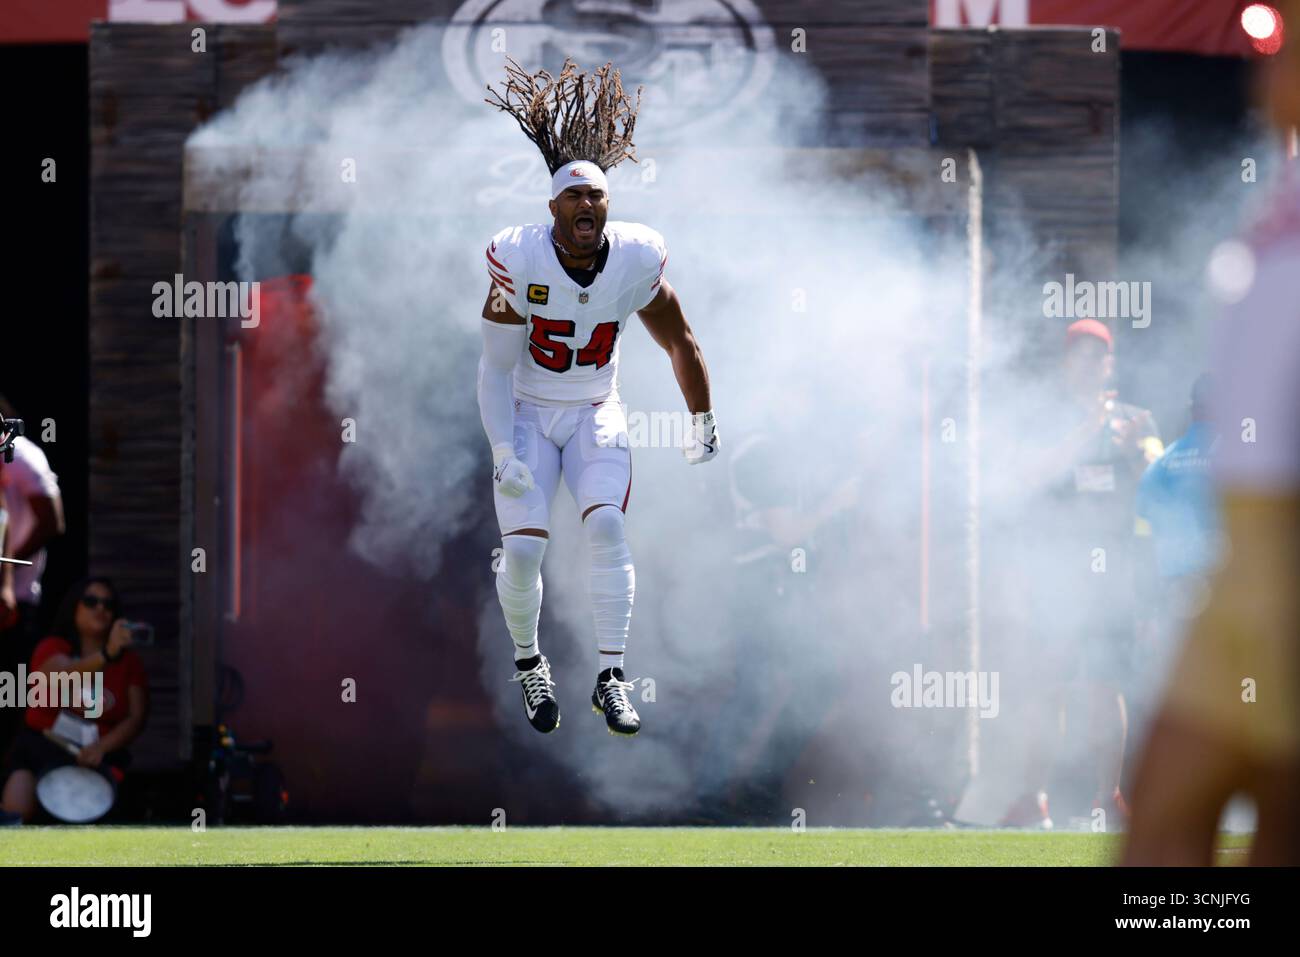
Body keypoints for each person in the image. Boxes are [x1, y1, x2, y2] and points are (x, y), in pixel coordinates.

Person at [478, 58, 718, 736]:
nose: (587, 206)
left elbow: (681, 339)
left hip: (594, 411)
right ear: (551, 208)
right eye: (574, 198)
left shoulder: (636, 260)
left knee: (607, 525)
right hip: (527, 410)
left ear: (609, 205)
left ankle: (611, 676)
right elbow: (493, 370)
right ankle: (530, 663)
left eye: (597, 197)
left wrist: (702, 415)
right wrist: (501, 448)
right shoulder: (517, 261)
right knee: (524, 551)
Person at [1123, 0, 1300, 865]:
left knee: (1174, 822)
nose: (1270, 74)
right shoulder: (1278, 210)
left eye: (1291, 50)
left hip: (1265, 580)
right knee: (1168, 824)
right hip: (1243, 585)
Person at [1001, 318, 1162, 829]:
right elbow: (1026, 476)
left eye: (1100, 356)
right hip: (1055, 571)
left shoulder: (1138, 420)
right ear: (1066, 363)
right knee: (1047, 685)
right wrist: (1085, 431)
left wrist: (1135, 452)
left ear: (1111, 363)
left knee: (1104, 685)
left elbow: (1158, 490)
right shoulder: (1044, 418)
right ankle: (1034, 799)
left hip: (1111, 575)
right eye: (1080, 355)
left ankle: (1106, 798)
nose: (1091, 364)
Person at [0, 577, 148, 823]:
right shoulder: (53, 647)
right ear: (74, 608)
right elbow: (58, 675)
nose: (100, 609)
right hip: (43, 749)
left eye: (107, 605)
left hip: (97, 756)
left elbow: (136, 718)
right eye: (91, 601)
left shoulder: (129, 662)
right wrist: (106, 655)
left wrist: (101, 748)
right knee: (17, 808)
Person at [0, 394, 65, 759]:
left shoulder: (19, 455)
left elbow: (52, 521)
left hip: (13, 603)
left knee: (8, 694)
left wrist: (5, 572)